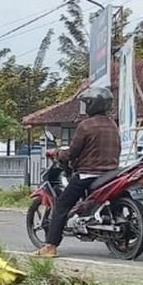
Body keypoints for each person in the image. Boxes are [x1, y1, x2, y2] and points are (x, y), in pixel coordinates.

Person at [33, 85, 119, 258]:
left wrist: (57, 153)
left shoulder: (85, 126)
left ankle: (50, 247)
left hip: (88, 174)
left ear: (92, 104)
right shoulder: (113, 125)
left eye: (86, 103)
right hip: (111, 174)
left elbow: (72, 153)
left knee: (62, 205)